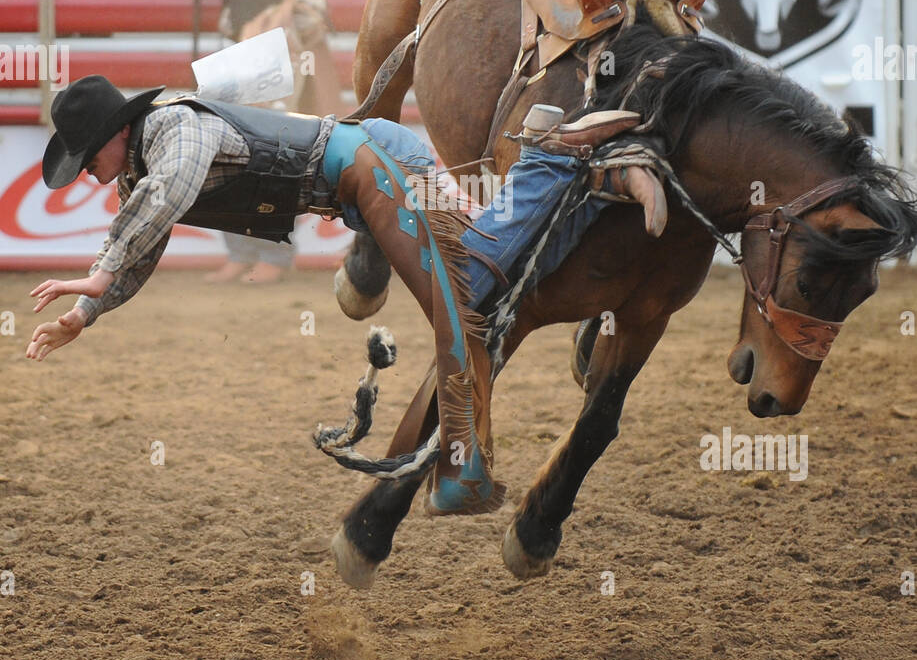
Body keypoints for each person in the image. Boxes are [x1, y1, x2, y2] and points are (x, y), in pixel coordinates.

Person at [26, 76, 660, 513]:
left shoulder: (174, 127)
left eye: (86, 154)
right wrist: (85, 312)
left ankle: (555, 155)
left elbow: (169, 191)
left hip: (378, 163)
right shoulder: (146, 165)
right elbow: (142, 241)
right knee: (494, 275)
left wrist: (100, 275)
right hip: (363, 180)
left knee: (476, 284)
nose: (85, 169)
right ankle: (572, 170)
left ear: (118, 128)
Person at [122, 0, 341, 283]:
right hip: (239, 54)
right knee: (226, 152)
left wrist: (287, 33)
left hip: (274, 56)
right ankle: (243, 252)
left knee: (270, 157)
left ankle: (270, 257)